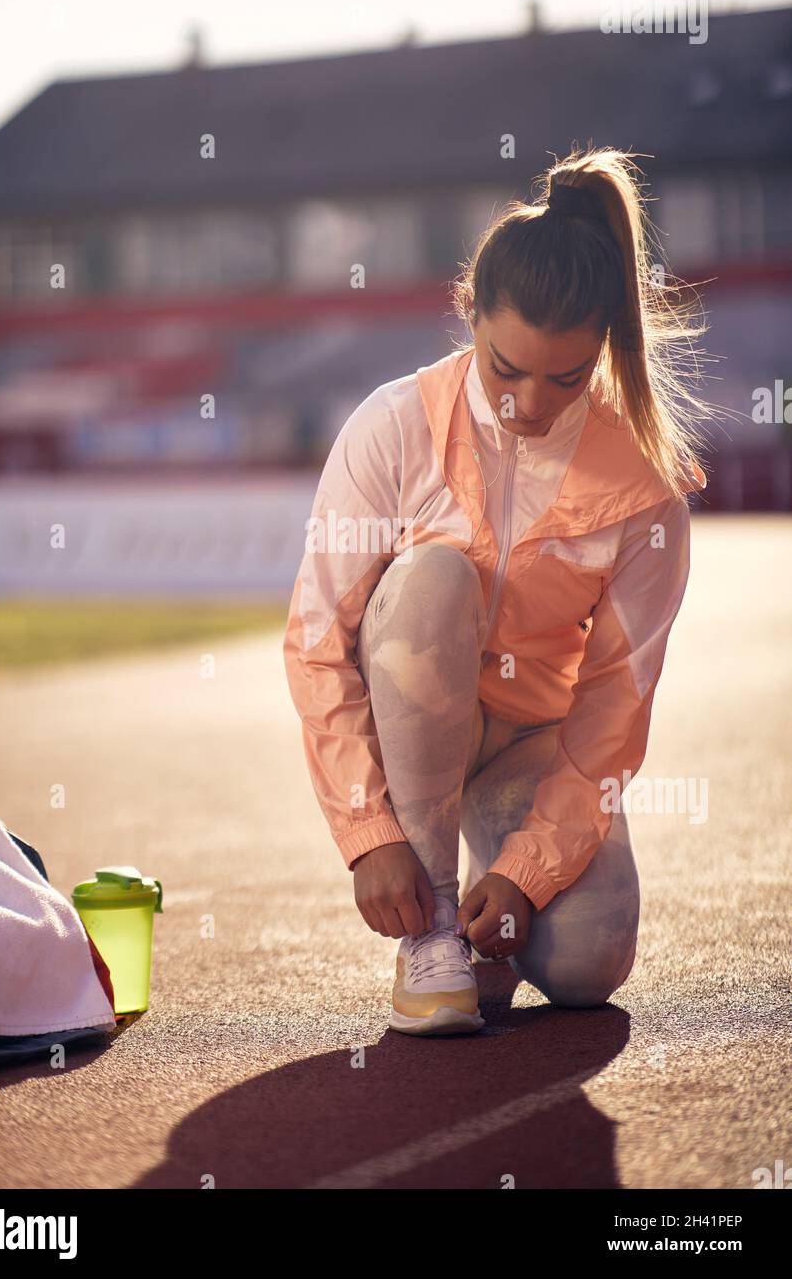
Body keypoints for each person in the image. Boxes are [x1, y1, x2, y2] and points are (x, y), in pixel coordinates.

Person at [283, 146, 711, 1035]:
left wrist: (528, 872)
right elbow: (319, 640)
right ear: (469, 312)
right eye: (504, 368)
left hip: (531, 743)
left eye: (565, 378)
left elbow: (609, 717)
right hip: (417, 724)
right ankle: (436, 928)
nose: (530, 402)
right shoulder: (391, 425)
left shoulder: (645, 490)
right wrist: (372, 837)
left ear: (602, 347)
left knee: (591, 964)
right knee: (436, 576)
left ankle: (489, 910)